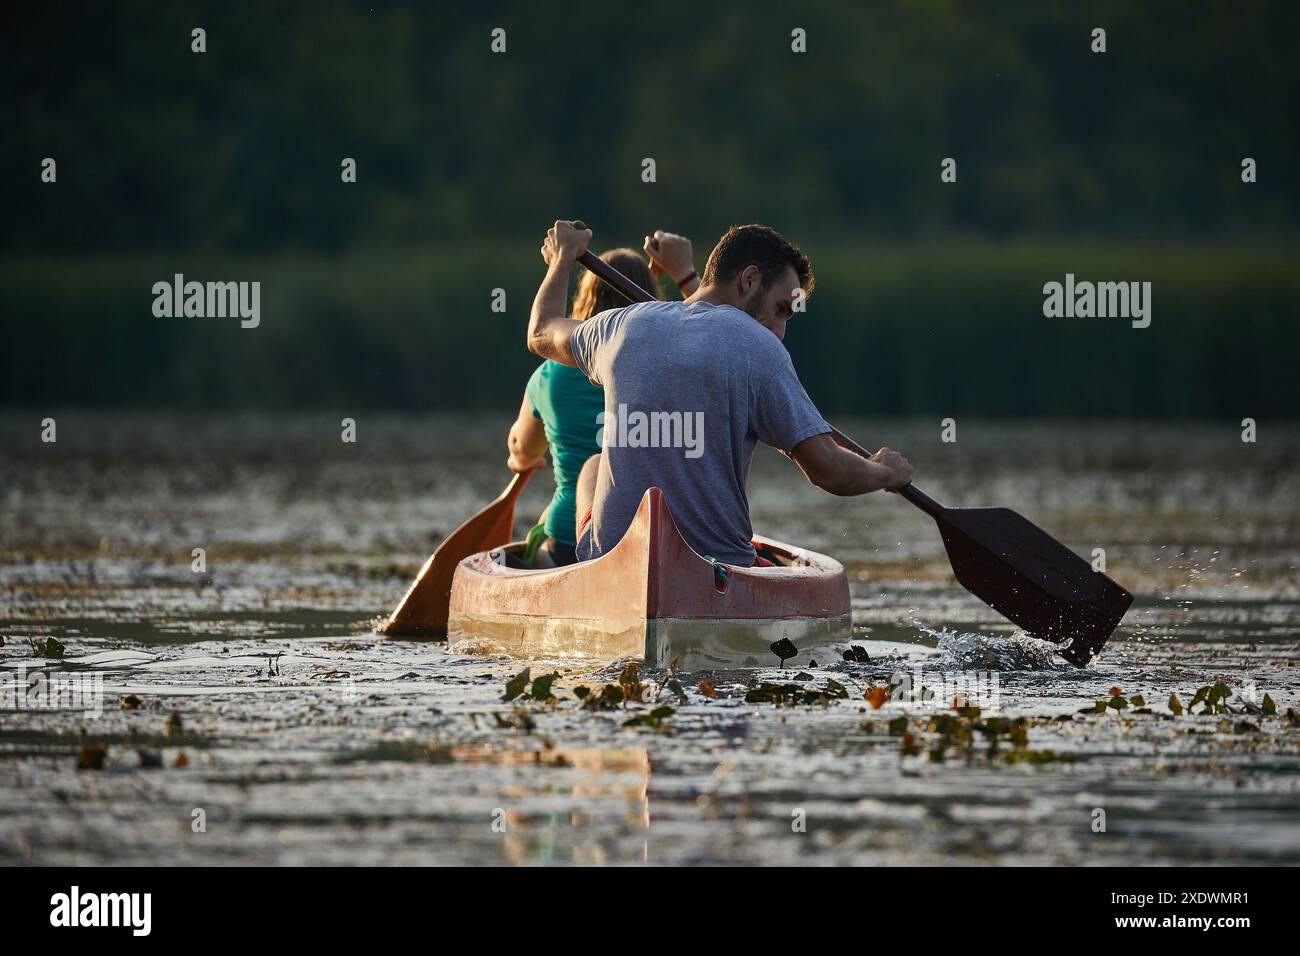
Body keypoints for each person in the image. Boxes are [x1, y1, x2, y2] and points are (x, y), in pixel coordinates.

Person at [526, 219, 914, 567]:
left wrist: (562, 258)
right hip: (717, 569)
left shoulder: (619, 327)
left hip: (616, 569)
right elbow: (830, 471)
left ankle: (598, 563)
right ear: (749, 280)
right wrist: (883, 472)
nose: (780, 330)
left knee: (593, 467)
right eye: (782, 309)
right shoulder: (760, 349)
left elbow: (541, 332)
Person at [506, 233, 700, 566]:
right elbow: (720, 333)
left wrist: (522, 461)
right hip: (660, 541)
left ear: (584, 299)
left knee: (530, 553)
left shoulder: (549, 375)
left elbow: (522, 448)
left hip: (569, 542)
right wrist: (685, 275)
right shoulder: (679, 363)